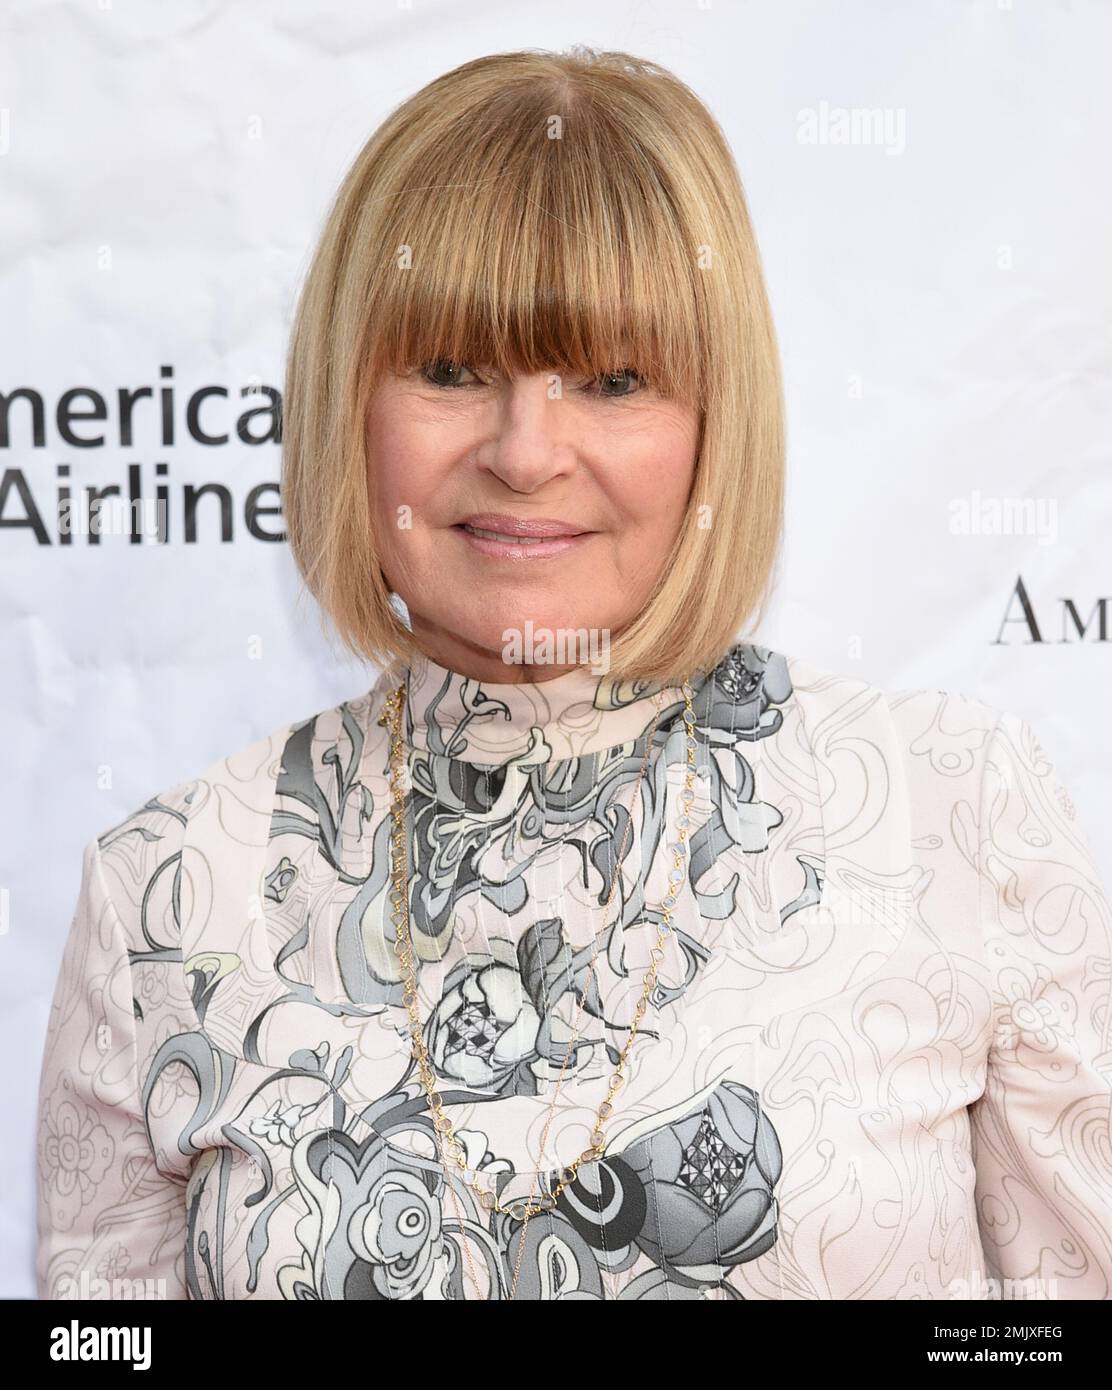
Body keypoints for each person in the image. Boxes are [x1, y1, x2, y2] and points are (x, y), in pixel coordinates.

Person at [36, 46, 1112, 1302]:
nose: (525, 451)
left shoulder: (953, 809)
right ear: (346, 399)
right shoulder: (165, 892)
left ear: (717, 420)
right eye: (449, 370)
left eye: (612, 380)